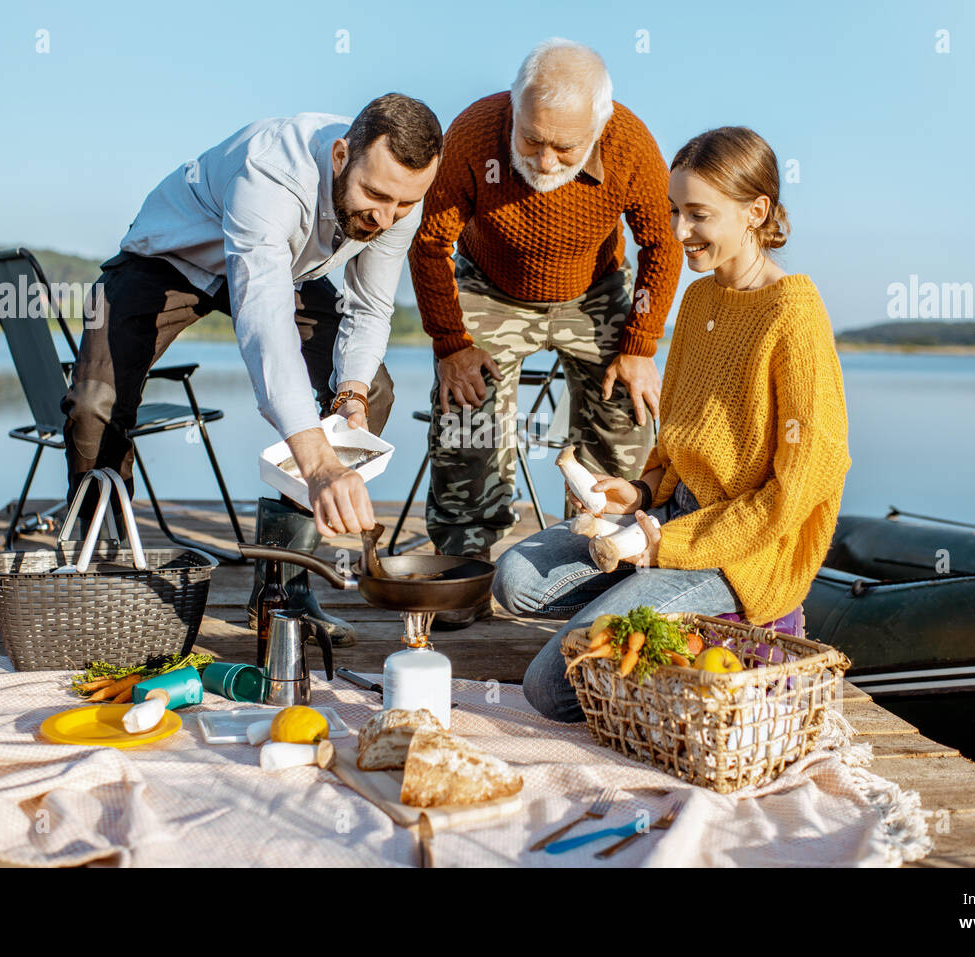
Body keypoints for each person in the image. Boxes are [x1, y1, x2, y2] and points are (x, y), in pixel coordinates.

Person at [493, 126, 851, 722]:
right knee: (515, 578)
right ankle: (650, 600)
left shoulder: (794, 316)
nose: (679, 232)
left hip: (737, 552)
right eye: (674, 211)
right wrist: (636, 491)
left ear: (755, 212)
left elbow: (800, 489)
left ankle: (705, 614)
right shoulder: (698, 301)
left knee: (550, 689)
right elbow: (676, 439)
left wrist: (670, 547)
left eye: (698, 215)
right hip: (664, 516)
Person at [61, 94, 443, 647]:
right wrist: (316, 462)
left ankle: (282, 594)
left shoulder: (401, 199)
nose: (385, 218)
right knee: (95, 405)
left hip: (284, 270)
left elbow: (371, 307)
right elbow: (263, 320)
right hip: (169, 259)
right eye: (375, 195)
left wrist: (350, 397)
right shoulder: (270, 171)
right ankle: (99, 572)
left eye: (403, 204)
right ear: (340, 156)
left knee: (374, 389)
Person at [408, 38, 683, 628]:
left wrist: (639, 346)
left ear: (600, 126)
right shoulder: (475, 133)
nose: (547, 160)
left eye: (566, 146)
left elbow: (662, 242)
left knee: (627, 413)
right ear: (514, 106)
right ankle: (463, 563)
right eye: (532, 140)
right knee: (468, 409)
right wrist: (451, 344)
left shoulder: (631, 143)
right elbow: (431, 242)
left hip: (594, 288)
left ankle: (601, 560)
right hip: (491, 284)